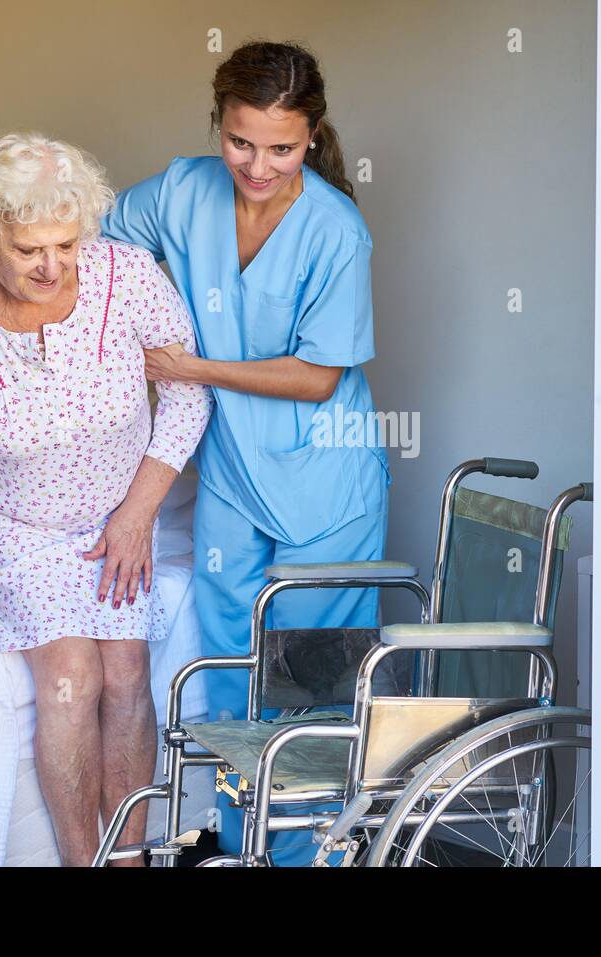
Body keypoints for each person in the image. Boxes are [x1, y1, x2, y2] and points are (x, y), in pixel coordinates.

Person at [0, 131, 211, 866]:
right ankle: (77, 859)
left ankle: (129, 858)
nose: (53, 265)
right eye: (31, 248)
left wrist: (137, 515)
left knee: (126, 670)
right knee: (70, 680)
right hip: (14, 523)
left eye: (66, 244)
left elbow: (187, 394)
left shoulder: (127, 277)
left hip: (117, 510)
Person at [102, 41, 389, 863]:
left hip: (325, 485)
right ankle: (237, 848)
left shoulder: (337, 230)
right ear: (218, 126)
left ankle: (300, 857)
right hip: (232, 475)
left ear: (311, 138)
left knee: (309, 695)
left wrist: (189, 366)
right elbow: (96, 248)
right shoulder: (183, 190)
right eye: (240, 141)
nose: (257, 165)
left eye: (281, 148)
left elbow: (315, 377)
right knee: (230, 678)